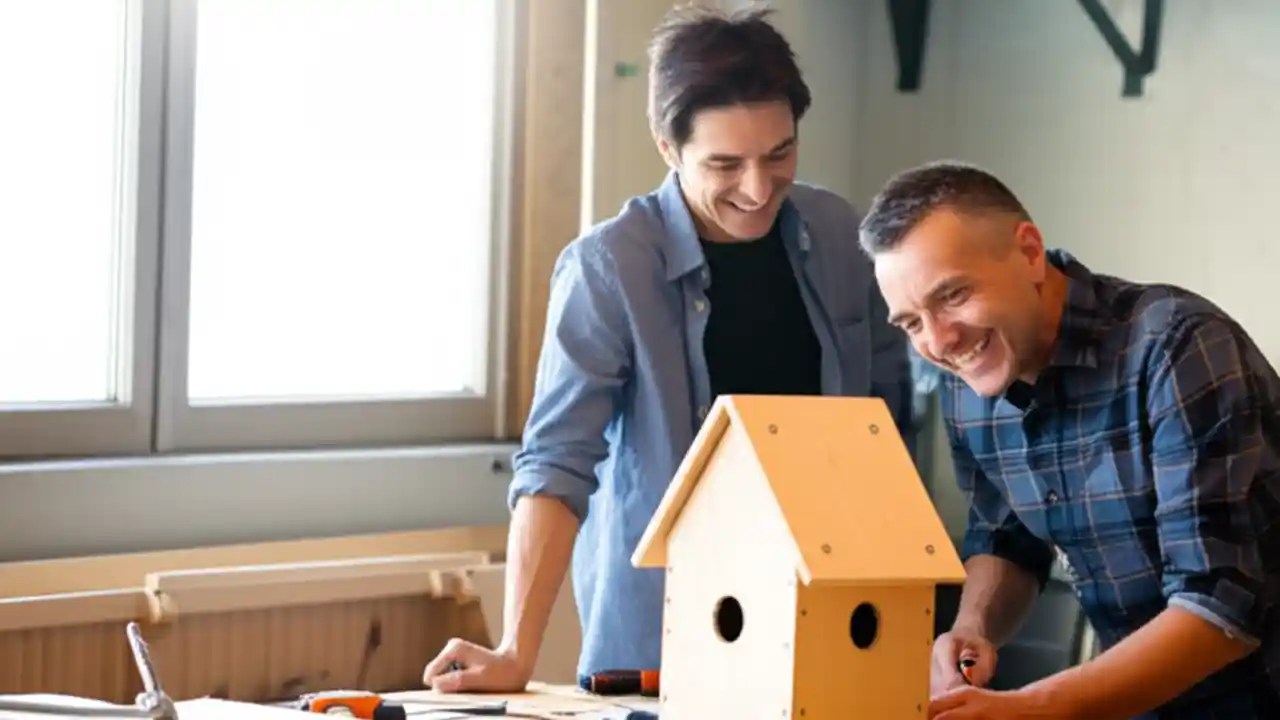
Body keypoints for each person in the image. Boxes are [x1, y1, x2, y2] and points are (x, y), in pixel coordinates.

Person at [421, 6, 914, 692]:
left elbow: (889, 431)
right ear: (667, 147)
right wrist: (514, 651)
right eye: (724, 163)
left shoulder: (839, 234)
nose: (757, 188)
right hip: (661, 633)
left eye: (779, 154)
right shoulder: (609, 266)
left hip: (830, 617)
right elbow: (557, 463)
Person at [858, 160, 1280, 719]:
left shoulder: (1178, 348)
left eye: (954, 294)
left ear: (1030, 252)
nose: (939, 341)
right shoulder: (969, 381)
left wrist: (1034, 707)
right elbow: (1005, 538)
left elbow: (1222, 606)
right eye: (911, 322)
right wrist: (972, 628)